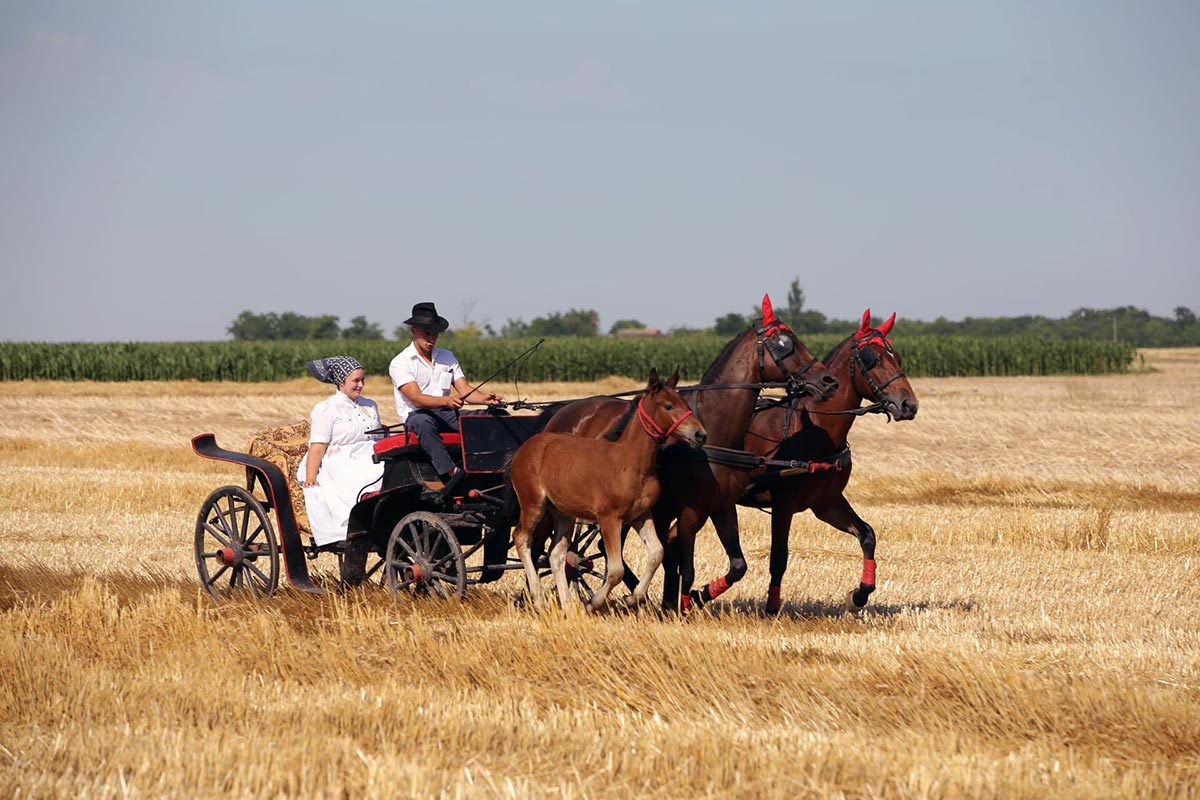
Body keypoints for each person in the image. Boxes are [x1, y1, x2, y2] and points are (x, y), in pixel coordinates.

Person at [389, 302, 502, 491]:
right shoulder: (400, 363)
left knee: (491, 417)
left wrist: (484, 399)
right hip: (417, 416)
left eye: (435, 333)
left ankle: (493, 466)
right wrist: (446, 401)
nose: (432, 338)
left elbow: (464, 388)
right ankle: (451, 472)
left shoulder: (447, 357)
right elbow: (416, 398)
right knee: (423, 423)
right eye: (427, 333)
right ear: (414, 330)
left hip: (446, 414)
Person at [296, 356, 384, 546]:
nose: (360, 385)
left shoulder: (370, 405)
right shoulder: (327, 409)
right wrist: (311, 477)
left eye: (363, 380)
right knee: (365, 477)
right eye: (355, 380)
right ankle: (361, 521)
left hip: (370, 455)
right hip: (340, 460)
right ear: (340, 381)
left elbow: (379, 437)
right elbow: (318, 446)